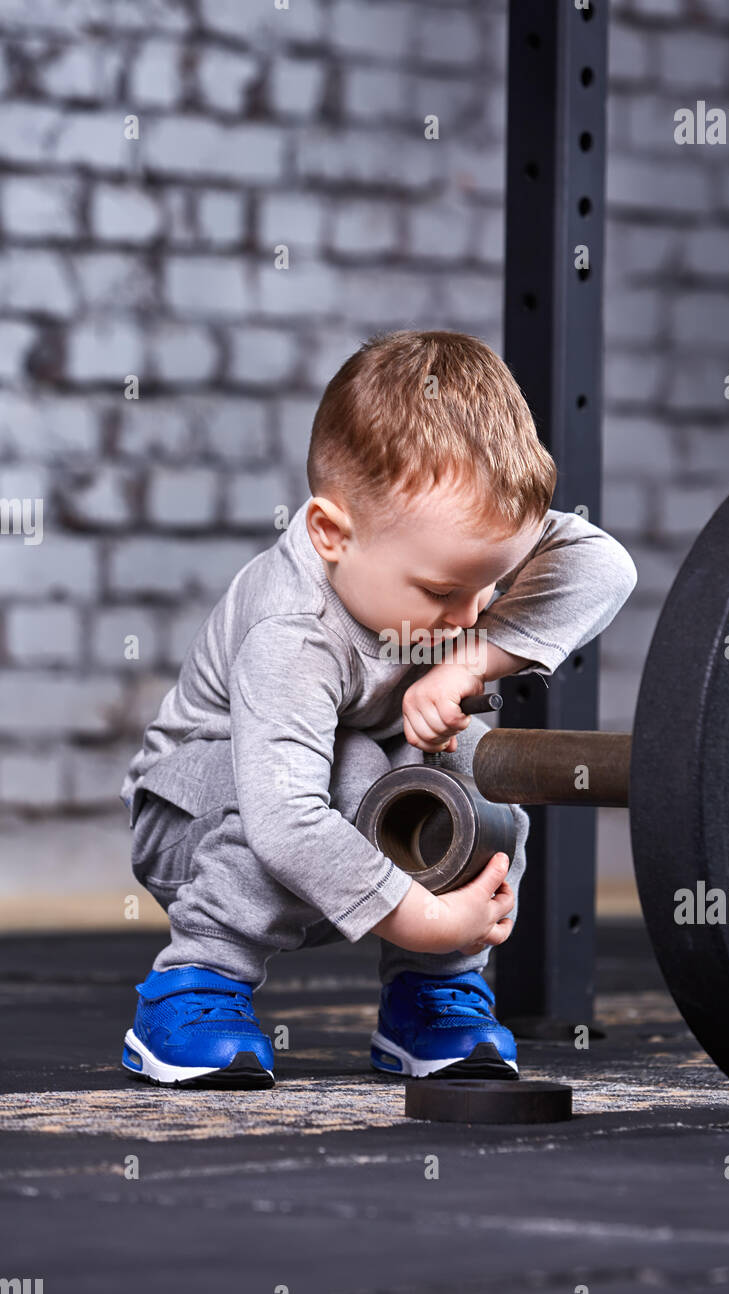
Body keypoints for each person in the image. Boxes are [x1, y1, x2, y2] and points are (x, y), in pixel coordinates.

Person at [119, 330, 637, 1088]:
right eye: (441, 594)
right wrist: (427, 920)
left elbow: (606, 566)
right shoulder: (292, 632)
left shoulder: (446, 543)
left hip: (353, 794)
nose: (469, 611)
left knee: (475, 777)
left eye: (488, 586)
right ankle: (194, 985)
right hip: (198, 815)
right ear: (331, 533)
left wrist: (472, 661)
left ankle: (429, 998)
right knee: (353, 767)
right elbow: (286, 817)